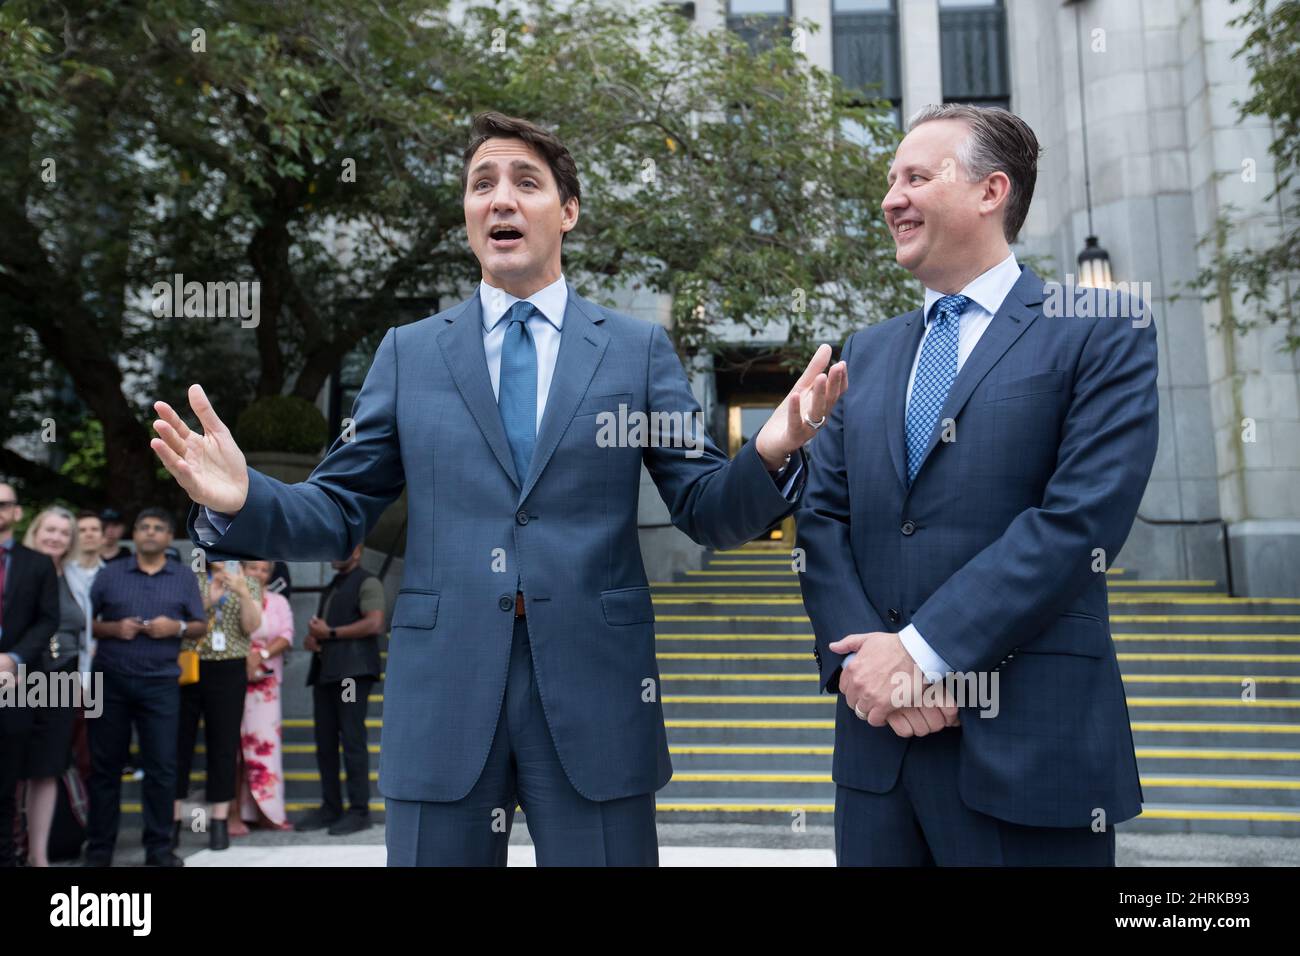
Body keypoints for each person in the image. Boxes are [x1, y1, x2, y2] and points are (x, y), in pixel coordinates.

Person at [150, 111, 847, 866]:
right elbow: (338, 508)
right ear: (467, 216)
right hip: (443, 691)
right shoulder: (409, 354)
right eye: (482, 185)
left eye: (525, 182)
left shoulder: (636, 351)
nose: (500, 200)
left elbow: (707, 511)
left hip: (594, 692)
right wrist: (243, 497)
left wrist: (773, 447)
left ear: (568, 212)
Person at [797, 104, 1158, 866]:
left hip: (1031, 754)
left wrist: (924, 655)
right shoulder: (866, 351)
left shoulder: (1101, 327)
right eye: (890, 180)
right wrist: (871, 669)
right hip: (877, 761)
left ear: (993, 191)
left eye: (917, 177)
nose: (891, 198)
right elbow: (822, 520)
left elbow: (1077, 522)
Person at [85, 508, 205, 867]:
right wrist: (113, 628)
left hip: (162, 684)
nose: (151, 533)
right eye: (144, 527)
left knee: (162, 768)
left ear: (169, 538)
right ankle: (99, 850)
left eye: (158, 528)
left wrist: (177, 628)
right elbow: (85, 624)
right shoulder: (108, 576)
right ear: (133, 535)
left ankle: (159, 849)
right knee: (105, 768)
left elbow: (199, 625)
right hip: (110, 682)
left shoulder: (184, 577)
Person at [294, 544, 384, 836]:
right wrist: (316, 642)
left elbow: (375, 623)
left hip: (351, 675)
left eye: (340, 549)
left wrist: (329, 633)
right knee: (325, 743)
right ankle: (330, 807)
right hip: (327, 672)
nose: (332, 554)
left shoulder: (367, 581)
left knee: (352, 738)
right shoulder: (335, 583)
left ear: (356, 551)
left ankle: (359, 811)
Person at [18, 507, 89, 866]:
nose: (56, 537)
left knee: (48, 768)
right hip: (18, 679)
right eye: (50, 529)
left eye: (64, 532)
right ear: (36, 530)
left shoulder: (75, 577)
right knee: (12, 765)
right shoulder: (14, 568)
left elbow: (86, 633)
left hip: (64, 679)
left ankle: (38, 856)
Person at [173, 560, 261, 851]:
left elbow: (251, 627)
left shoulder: (246, 581)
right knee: (178, 745)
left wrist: (243, 593)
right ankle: (171, 820)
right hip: (190, 666)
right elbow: (180, 624)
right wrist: (208, 599)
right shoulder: (189, 578)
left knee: (223, 745)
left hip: (229, 668)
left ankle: (220, 821)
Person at [0, 482, 60, 868]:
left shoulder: (36, 563)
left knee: (7, 779)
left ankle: (7, 856)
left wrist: (13, 659)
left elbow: (48, 619)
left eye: (3, 504)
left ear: (18, 512)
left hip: (16, 682)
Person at [230, 558, 294, 834]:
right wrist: (243, 660)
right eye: (252, 567)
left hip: (265, 685)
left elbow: (287, 636)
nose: (258, 573)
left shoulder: (279, 602)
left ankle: (267, 812)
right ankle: (234, 813)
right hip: (231, 680)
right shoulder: (229, 599)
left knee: (265, 748)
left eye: (264, 569)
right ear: (242, 570)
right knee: (231, 749)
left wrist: (261, 655)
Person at [65, 511, 106, 681]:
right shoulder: (61, 572)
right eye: (82, 530)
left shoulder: (115, 575)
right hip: (66, 661)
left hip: (105, 661)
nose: (89, 534)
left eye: (94, 529)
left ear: (103, 536)